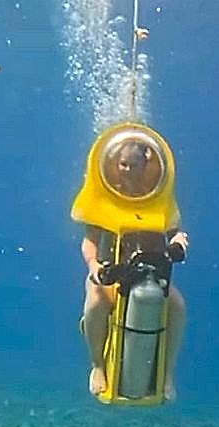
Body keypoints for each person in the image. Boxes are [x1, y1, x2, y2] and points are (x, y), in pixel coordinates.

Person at [79, 137, 187, 399]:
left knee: (177, 307)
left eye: (133, 165)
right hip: (110, 274)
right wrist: (94, 266)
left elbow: (175, 231)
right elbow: (89, 241)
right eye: (123, 164)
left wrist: (179, 242)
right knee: (95, 304)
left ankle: (167, 372)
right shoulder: (106, 196)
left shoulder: (158, 196)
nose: (127, 170)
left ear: (145, 165)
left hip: (150, 273)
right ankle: (97, 366)